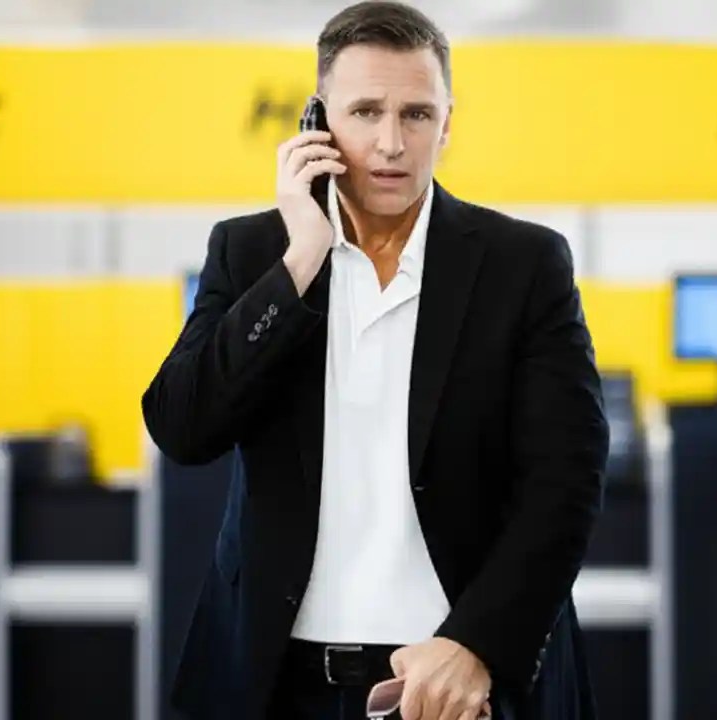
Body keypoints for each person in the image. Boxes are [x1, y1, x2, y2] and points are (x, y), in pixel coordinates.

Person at [142, 2, 608, 718]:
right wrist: (301, 259)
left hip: (455, 685)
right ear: (319, 123)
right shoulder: (253, 254)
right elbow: (184, 426)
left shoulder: (524, 265)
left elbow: (566, 482)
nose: (392, 142)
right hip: (276, 683)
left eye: (417, 115)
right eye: (366, 112)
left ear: (447, 125)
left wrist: (476, 645)